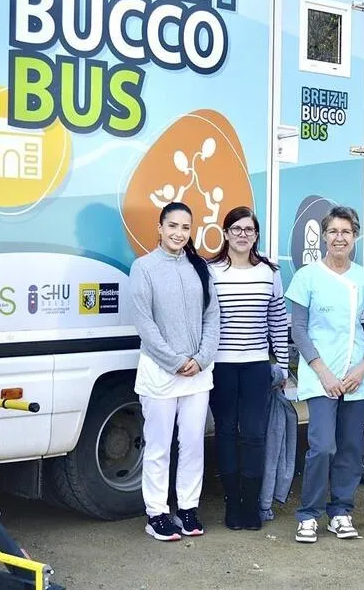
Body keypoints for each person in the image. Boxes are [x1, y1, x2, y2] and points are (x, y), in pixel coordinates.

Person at [286, 205, 364, 544]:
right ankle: (309, 514)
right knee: (323, 446)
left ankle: (341, 511)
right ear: (324, 236)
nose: (339, 237)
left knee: (351, 447)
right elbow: (298, 330)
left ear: (355, 237)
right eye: (333, 231)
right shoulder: (307, 277)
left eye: (346, 232)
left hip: (357, 377)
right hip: (321, 377)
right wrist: (323, 372)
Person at [130, 201, 220, 541]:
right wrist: (175, 361)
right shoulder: (144, 268)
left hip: (198, 373)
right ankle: (156, 513)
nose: (178, 233)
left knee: (193, 443)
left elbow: (213, 316)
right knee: (158, 446)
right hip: (160, 373)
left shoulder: (200, 267)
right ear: (160, 227)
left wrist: (201, 358)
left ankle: (187, 509)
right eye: (172, 226)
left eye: (185, 227)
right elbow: (145, 324)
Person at [207, 206, 289, 532]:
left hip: (256, 366)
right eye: (236, 229)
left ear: (256, 235)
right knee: (226, 432)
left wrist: (282, 365)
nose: (243, 235)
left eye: (249, 230)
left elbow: (277, 321)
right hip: (221, 366)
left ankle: (251, 505)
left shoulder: (269, 272)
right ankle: (232, 505)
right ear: (225, 233)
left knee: (254, 434)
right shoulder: (211, 271)